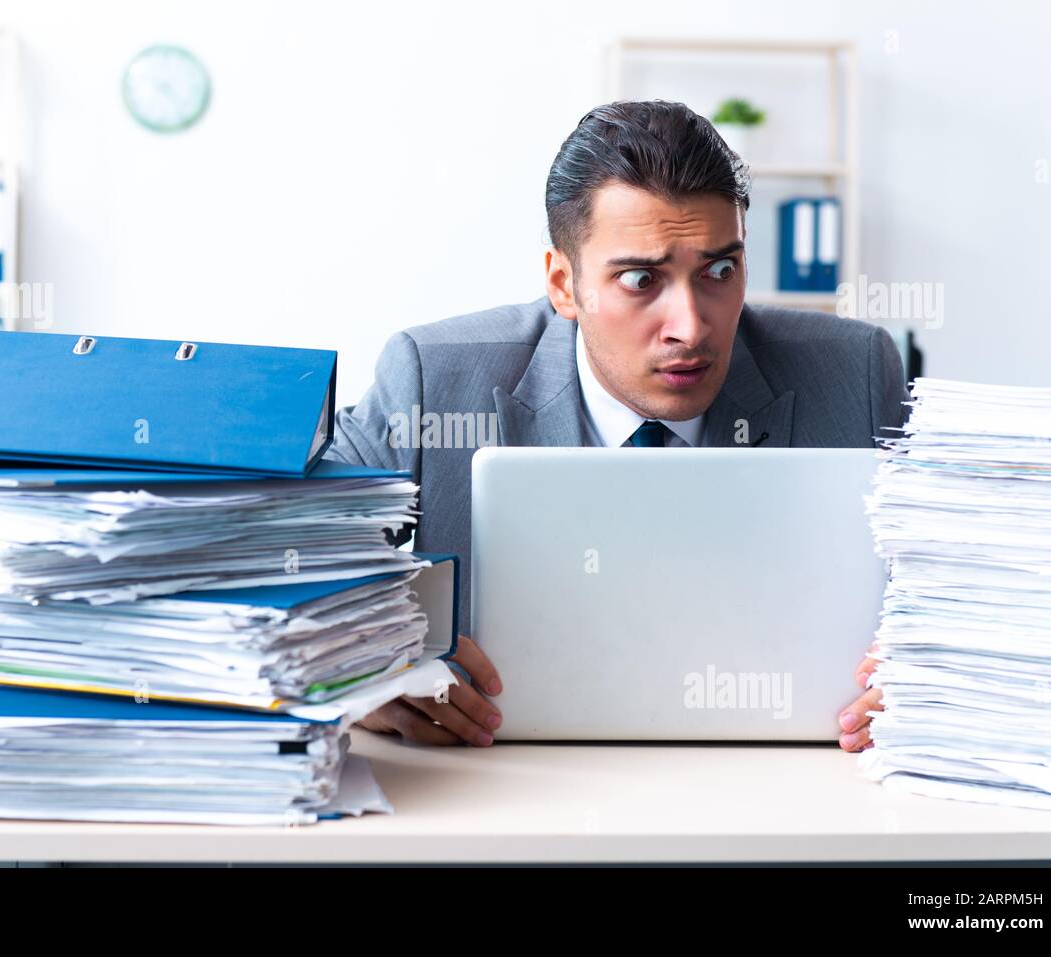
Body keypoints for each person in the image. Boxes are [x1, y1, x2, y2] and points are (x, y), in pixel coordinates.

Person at [325, 100, 906, 753]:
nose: (691, 324)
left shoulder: (854, 373)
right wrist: (357, 671)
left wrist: (934, 666)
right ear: (564, 284)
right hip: (501, 790)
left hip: (789, 787)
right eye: (640, 279)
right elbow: (264, 561)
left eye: (719, 271)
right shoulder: (432, 381)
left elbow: (975, 583)